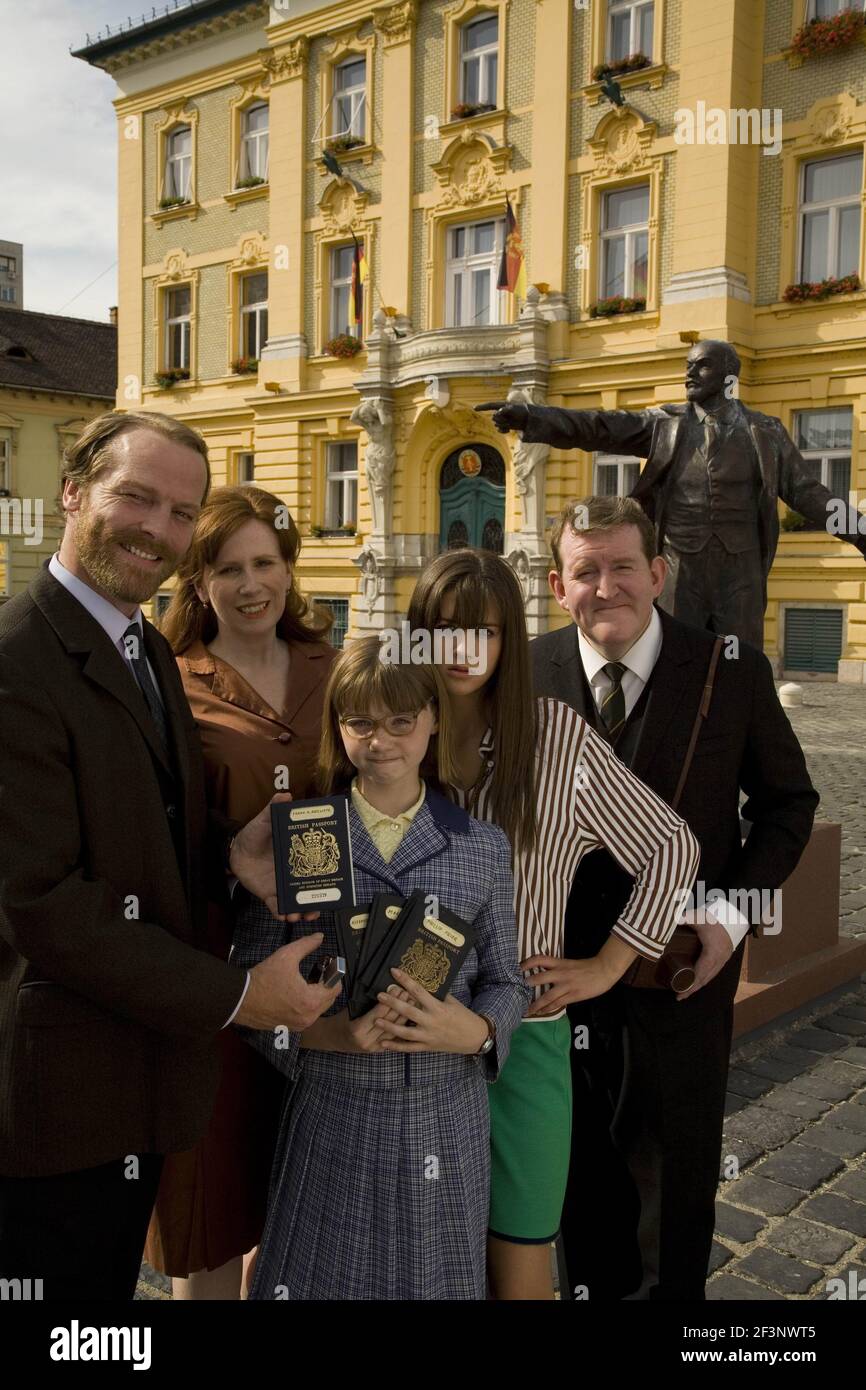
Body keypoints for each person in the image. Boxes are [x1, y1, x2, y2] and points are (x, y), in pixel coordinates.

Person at [0, 412, 338, 1301]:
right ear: (73, 492)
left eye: (181, 512)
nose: (159, 527)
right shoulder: (16, 658)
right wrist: (238, 995)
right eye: (136, 497)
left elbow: (147, 840)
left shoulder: (144, 645)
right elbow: (43, 903)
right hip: (61, 1098)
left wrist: (235, 856)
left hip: (145, 1074)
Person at [530, 495, 819, 1299]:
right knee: (574, 1179)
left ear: (658, 573)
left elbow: (787, 806)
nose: (606, 586)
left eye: (623, 566)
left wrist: (732, 917)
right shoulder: (526, 669)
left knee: (674, 1188)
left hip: (683, 976)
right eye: (586, 571)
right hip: (558, 980)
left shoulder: (731, 670)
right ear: (559, 585)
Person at [406, 549, 700, 1300]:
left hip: (527, 1038)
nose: (463, 651)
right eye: (443, 630)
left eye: (485, 632)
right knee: (425, 1254)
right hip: (413, 1035)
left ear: (510, 640)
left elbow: (672, 846)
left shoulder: (552, 735)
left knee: (522, 1255)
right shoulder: (398, 731)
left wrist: (607, 965)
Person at [231, 637, 530, 1301]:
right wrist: (326, 1034)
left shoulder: (481, 847)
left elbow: (510, 981)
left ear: (431, 721)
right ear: (337, 728)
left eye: (401, 721)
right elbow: (249, 991)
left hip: (444, 1123)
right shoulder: (309, 837)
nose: (381, 741)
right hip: (333, 1117)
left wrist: (476, 1033)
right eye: (360, 722)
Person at [143, 485, 337, 1300]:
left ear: (290, 569)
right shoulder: (170, 682)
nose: (252, 584)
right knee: (212, 1212)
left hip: (334, 980)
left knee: (315, 1204)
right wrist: (231, 855)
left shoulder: (339, 668)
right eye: (229, 568)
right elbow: (143, 837)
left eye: (266, 562)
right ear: (198, 582)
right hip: (220, 983)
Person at [477, 339, 866, 649]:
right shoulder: (667, 424)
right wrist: (532, 417)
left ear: (729, 375)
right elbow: (599, 426)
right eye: (688, 366)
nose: (690, 373)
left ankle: (738, 739)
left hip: (741, 568)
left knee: (740, 660)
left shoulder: (765, 432)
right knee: (673, 656)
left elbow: (808, 492)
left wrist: (859, 530)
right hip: (679, 564)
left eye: (702, 365)